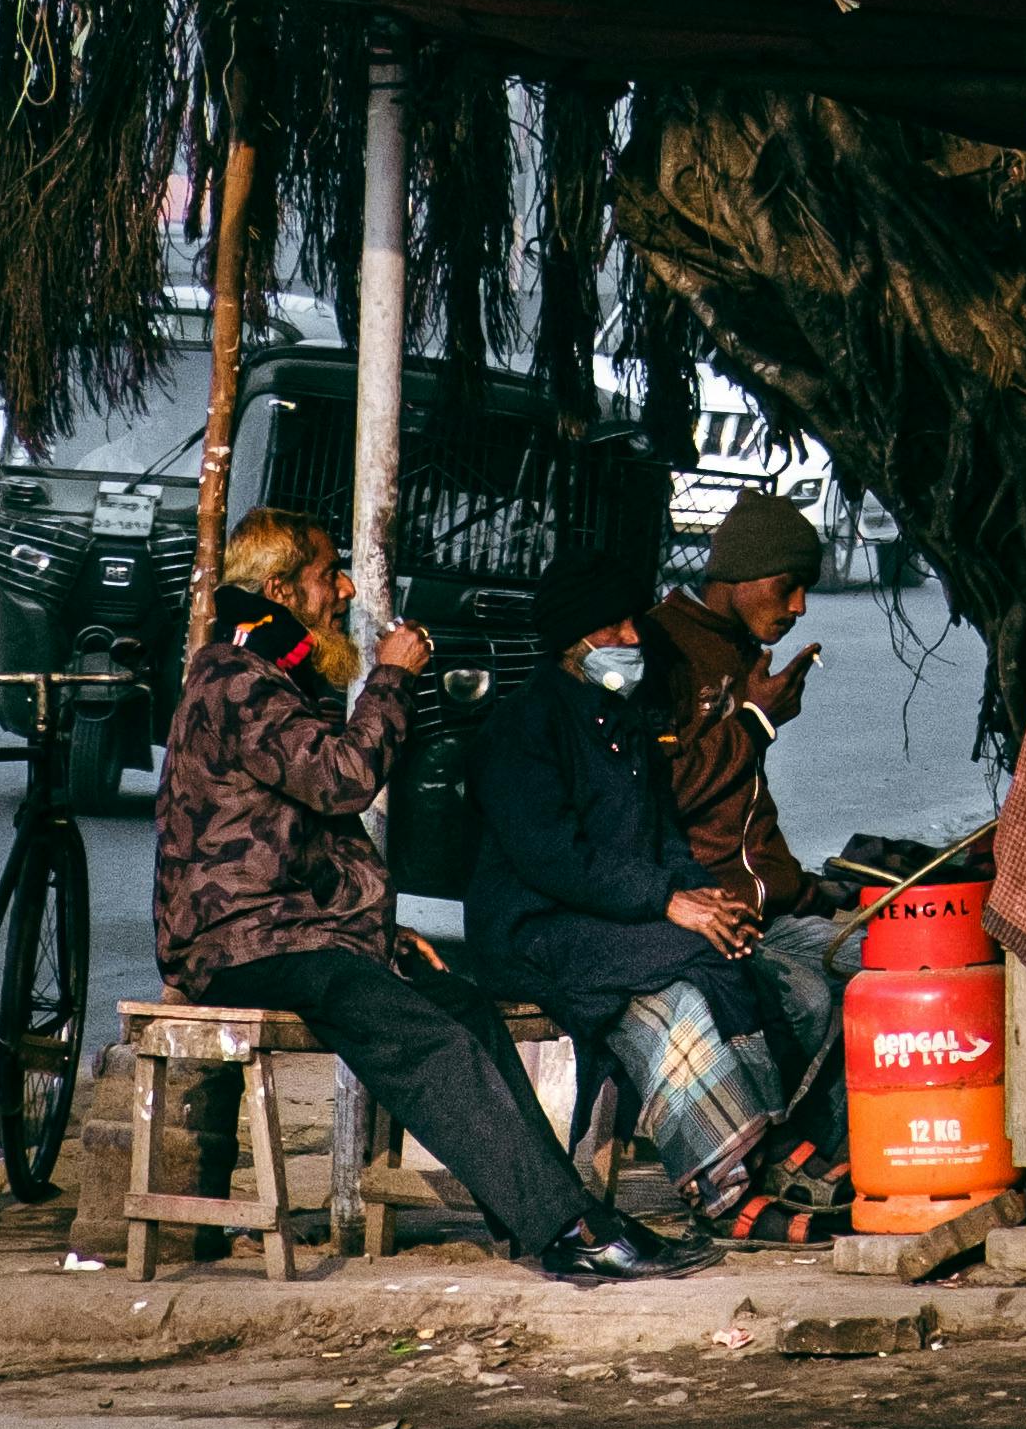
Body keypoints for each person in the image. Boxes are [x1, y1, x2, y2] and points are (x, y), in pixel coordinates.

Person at [151, 506, 693, 1285]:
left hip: (288, 934)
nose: (343, 589)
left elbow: (304, 843)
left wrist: (375, 930)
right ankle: (566, 1227)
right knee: (422, 1039)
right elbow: (342, 782)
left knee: (464, 1011)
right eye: (327, 574)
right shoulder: (235, 678)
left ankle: (557, 1214)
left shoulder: (270, 676)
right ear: (280, 590)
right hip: (236, 943)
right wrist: (392, 677)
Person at [467, 543, 833, 1245]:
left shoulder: (623, 722)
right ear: (571, 637)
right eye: (612, 627)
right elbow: (554, 859)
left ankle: (758, 1149)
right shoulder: (523, 725)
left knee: (727, 952)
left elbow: (662, 839)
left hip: (605, 922)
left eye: (633, 622)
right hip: (534, 930)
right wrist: (668, 903)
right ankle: (726, 1187)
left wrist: (706, 900)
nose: (633, 638)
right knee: (685, 981)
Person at [644, 489, 853, 1187]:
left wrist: (814, 891)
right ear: (737, 574)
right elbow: (659, 796)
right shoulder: (661, 652)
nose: (798, 607)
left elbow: (747, 817)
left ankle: (847, 1158)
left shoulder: (741, 653)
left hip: (773, 908)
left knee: (890, 969)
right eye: (786, 584)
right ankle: (779, 1167)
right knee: (807, 999)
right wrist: (755, 725)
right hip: (706, 912)